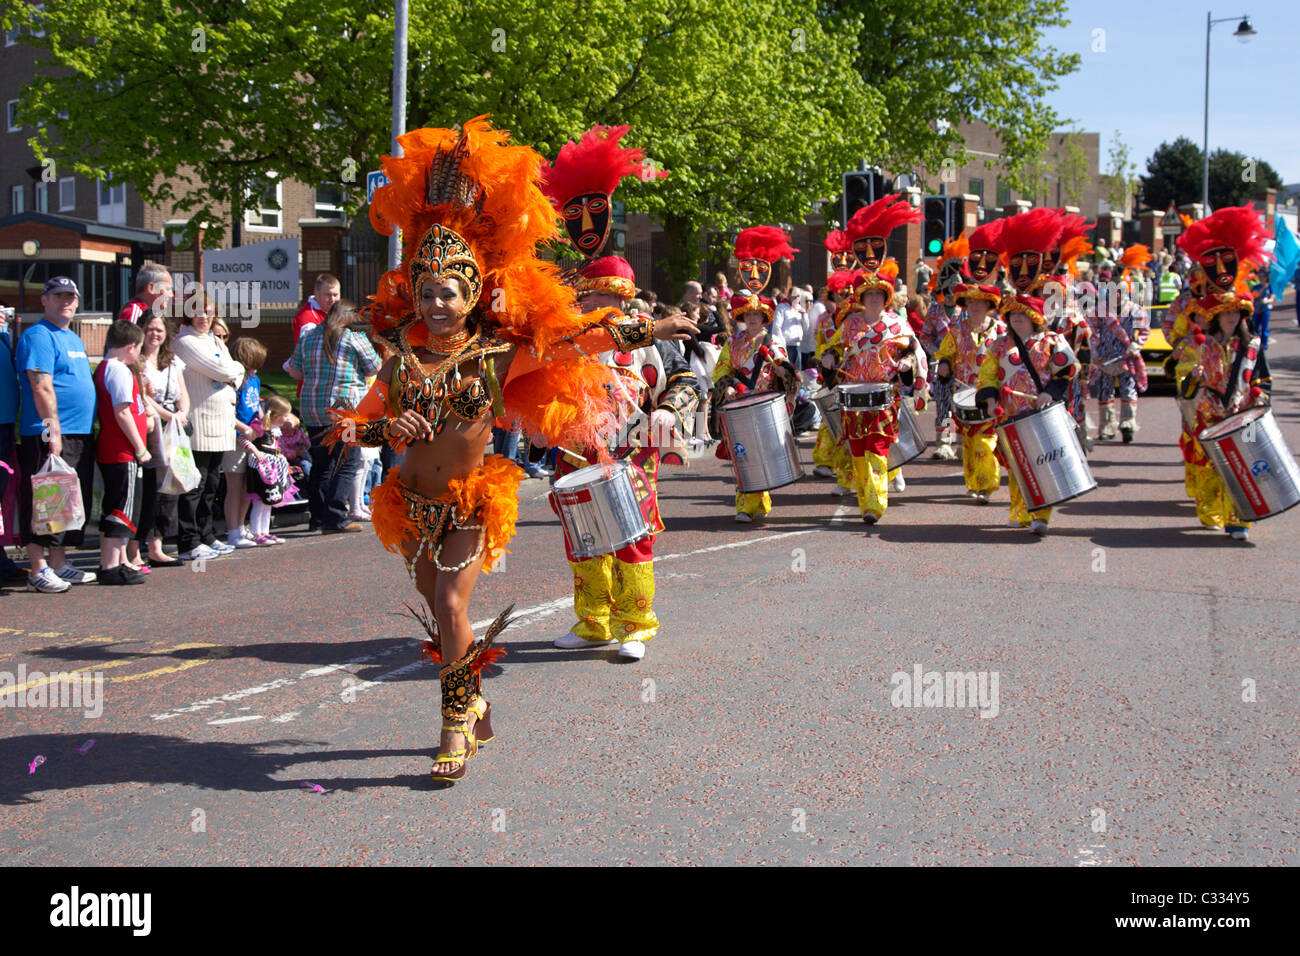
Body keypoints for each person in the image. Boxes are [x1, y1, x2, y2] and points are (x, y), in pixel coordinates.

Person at [325, 118, 695, 781]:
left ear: (473, 296)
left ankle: (453, 723)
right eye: (427, 290)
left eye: (450, 292)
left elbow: (580, 339)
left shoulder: (498, 356)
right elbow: (351, 427)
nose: (436, 303)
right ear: (414, 290)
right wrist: (384, 431)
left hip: (471, 502)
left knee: (452, 607)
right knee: (443, 621)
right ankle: (479, 698)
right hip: (411, 503)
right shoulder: (400, 360)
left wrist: (651, 328)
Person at [826, 263, 926, 523]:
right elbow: (835, 349)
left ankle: (875, 504)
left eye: (878, 295)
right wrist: (828, 358)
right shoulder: (850, 325)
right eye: (869, 294)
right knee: (858, 450)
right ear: (862, 298)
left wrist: (907, 363)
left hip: (885, 396)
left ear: (885, 298)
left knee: (877, 447)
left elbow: (914, 353)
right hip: (853, 397)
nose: (873, 298)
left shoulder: (898, 324)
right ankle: (866, 500)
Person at [16, 277, 99, 592]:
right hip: (47, 434)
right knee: (43, 503)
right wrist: (53, 431)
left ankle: (60, 563)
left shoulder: (72, 338)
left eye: (70, 296)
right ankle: (38, 569)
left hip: (78, 432)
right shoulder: (38, 336)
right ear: (45, 301)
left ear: (77, 302)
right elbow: (41, 387)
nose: (65, 301)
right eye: (58, 295)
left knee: (66, 505)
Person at [1177, 291, 1270, 540]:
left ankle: (1239, 521)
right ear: (1217, 316)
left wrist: (1260, 397)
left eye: (1235, 312)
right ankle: (1211, 514)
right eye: (1226, 312)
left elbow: (1263, 380)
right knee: (1210, 468)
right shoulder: (1200, 345)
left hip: (1243, 415)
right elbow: (1184, 389)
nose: (1231, 317)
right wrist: (1193, 377)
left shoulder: (1252, 346)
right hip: (1208, 415)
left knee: (1241, 467)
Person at [287, 301, 381, 534]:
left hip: (313, 409)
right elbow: (374, 367)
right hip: (344, 410)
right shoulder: (352, 338)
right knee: (347, 461)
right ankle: (336, 517)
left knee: (322, 464)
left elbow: (295, 370)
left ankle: (317, 517)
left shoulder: (307, 337)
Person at [173, 291, 245, 561]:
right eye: (198, 311)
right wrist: (233, 370)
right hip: (201, 423)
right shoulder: (185, 342)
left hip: (221, 422)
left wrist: (232, 370)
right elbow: (226, 371)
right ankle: (188, 540)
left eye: (208, 311)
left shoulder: (215, 339)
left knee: (212, 485)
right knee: (196, 484)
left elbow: (233, 371)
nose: (204, 317)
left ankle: (206, 535)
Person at [714, 294, 797, 521]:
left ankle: (756, 500)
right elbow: (722, 369)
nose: (752, 318)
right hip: (739, 404)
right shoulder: (733, 342)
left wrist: (782, 370)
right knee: (744, 454)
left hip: (764, 405)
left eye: (756, 315)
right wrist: (728, 386)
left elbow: (785, 370)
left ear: (763, 317)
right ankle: (746, 506)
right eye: (748, 314)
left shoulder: (774, 342)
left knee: (762, 453)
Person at [93, 320, 153, 585]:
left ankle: (112, 562)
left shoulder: (107, 368)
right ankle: (111, 565)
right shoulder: (119, 370)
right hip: (123, 450)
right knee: (123, 507)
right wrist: (140, 448)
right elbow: (123, 411)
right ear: (131, 346)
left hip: (115, 448)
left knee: (115, 504)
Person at [935, 283, 1004, 502]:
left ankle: (986, 485)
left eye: (980, 302)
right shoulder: (957, 330)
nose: (975, 306)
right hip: (964, 393)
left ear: (988, 305)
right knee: (969, 442)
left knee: (986, 441)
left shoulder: (1002, 330)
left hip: (992, 393)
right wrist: (945, 364)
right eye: (971, 302)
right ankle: (974, 483)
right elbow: (946, 352)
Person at [132, 313, 190, 568]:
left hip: (173, 429)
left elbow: (184, 394)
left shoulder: (173, 361)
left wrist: (182, 413)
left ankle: (158, 545)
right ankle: (137, 546)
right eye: (150, 329)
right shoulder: (137, 361)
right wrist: (169, 415)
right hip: (150, 427)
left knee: (170, 486)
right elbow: (143, 397)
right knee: (148, 490)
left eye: (159, 329)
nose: (155, 334)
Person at [222, 336, 267, 548]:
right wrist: (244, 428)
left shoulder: (254, 380)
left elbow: (255, 406)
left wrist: (261, 422)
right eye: (253, 365)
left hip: (251, 439)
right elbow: (227, 412)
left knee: (247, 487)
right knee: (235, 487)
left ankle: (241, 526)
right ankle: (232, 531)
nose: (256, 370)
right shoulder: (235, 382)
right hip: (235, 439)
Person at [243, 392, 294, 545]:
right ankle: (256, 532)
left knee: (269, 501)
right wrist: (255, 451)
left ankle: (265, 531)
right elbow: (243, 439)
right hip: (262, 467)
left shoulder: (274, 429)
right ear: (276, 415)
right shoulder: (259, 426)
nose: (287, 419)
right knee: (261, 500)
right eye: (285, 415)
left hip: (273, 465)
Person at [292, 273, 341, 344]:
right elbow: (311, 347)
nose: (332, 299)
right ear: (316, 294)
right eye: (328, 295)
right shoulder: (307, 317)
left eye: (335, 295)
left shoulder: (338, 312)